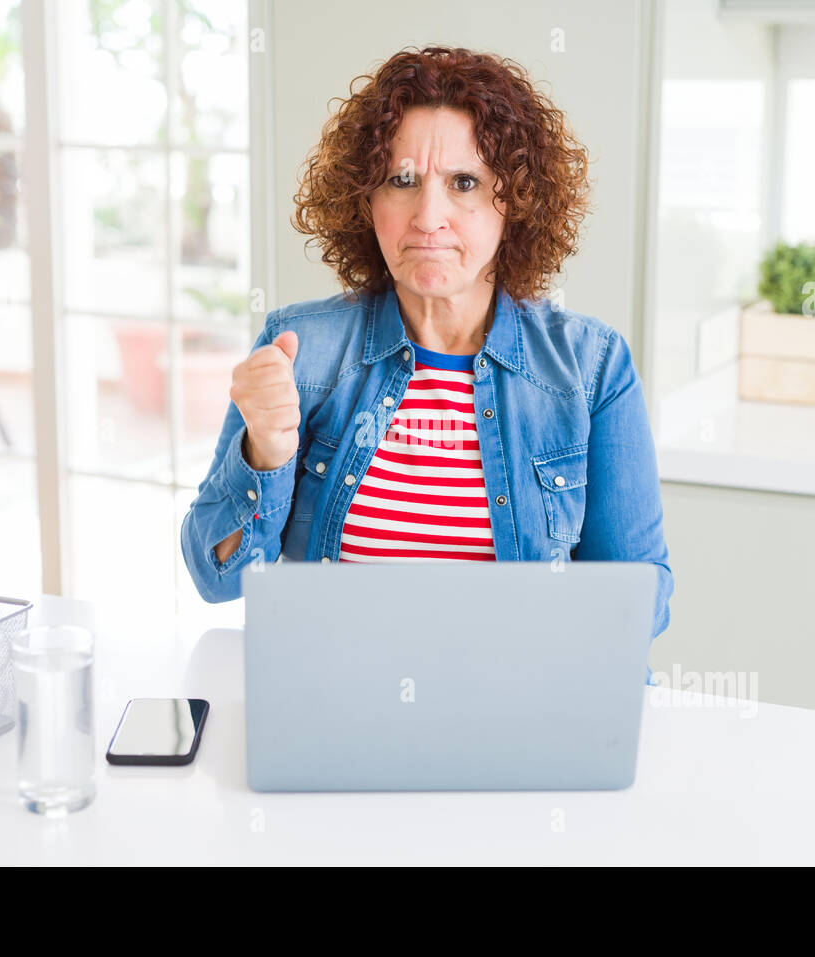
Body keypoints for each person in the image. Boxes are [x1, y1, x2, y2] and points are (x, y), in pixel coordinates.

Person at [180, 46, 673, 642]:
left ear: (513, 201)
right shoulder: (300, 349)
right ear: (367, 201)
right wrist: (266, 452)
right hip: (335, 705)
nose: (428, 215)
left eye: (464, 182)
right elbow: (216, 574)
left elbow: (640, 601)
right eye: (401, 180)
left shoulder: (592, 368)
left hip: (512, 711)